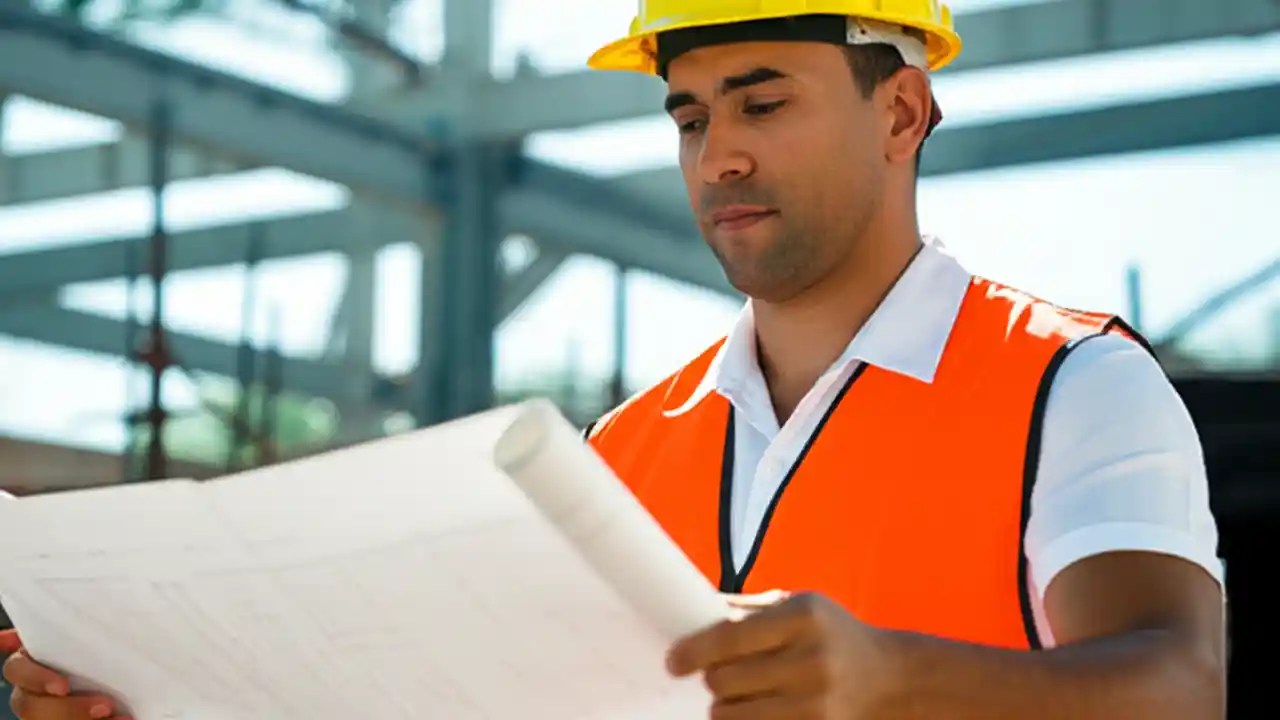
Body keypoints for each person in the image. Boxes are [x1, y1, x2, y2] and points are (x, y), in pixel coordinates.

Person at [3, 2, 1226, 720]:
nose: (716, 159)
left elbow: (1176, 681)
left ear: (901, 113)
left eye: (761, 103)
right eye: (690, 119)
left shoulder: (1068, 380)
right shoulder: (625, 449)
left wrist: (884, 678)